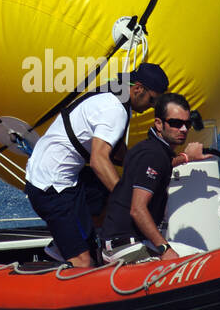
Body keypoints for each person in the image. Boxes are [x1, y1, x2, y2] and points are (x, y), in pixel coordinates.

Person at [24, 62, 169, 267]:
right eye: (152, 100)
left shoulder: (116, 92)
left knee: (106, 196)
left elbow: (119, 153)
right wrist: (128, 203)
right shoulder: (116, 110)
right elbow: (99, 160)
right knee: (84, 262)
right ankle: (62, 251)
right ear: (138, 88)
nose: (151, 107)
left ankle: (66, 243)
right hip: (50, 186)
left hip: (64, 175)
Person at [100, 94, 193, 262]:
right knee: (176, 260)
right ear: (159, 123)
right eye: (176, 123)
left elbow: (162, 166)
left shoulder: (146, 148)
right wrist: (164, 249)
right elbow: (137, 209)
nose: (184, 129)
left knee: (191, 253)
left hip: (126, 240)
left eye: (188, 123)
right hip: (125, 246)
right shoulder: (154, 156)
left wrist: (186, 157)